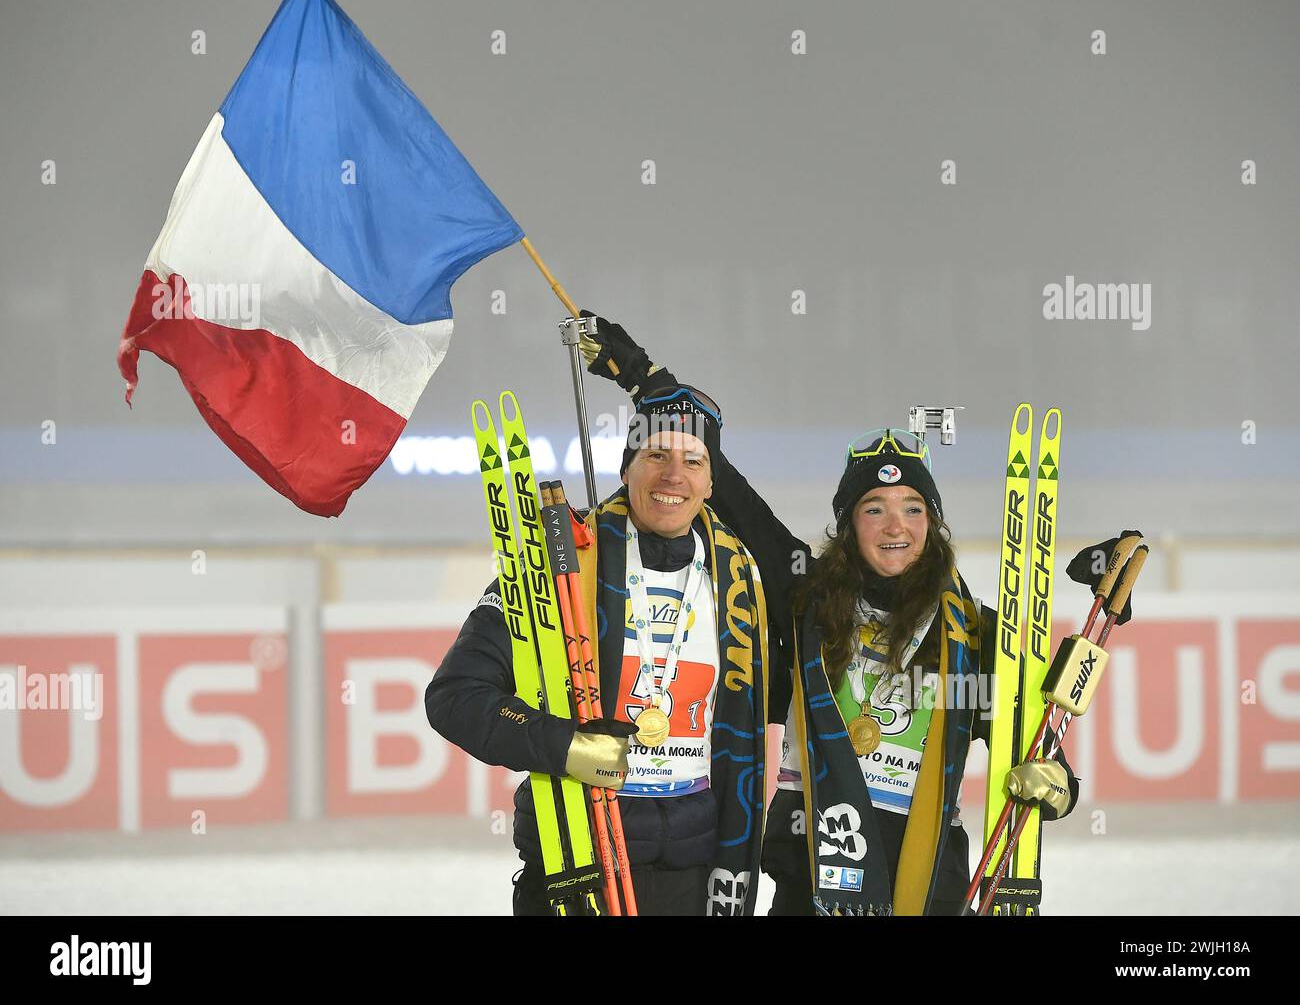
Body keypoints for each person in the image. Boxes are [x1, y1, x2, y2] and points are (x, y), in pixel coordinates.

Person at [581, 314, 1101, 916]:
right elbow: (717, 482)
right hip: (809, 878)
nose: (895, 525)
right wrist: (646, 380)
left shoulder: (968, 634)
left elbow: (1027, 736)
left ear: (931, 524)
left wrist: (1057, 784)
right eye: (873, 508)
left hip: (923, 881)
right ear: (850, 525)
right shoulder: (804, 594)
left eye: (911, 507)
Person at [425, 382, 771, 915]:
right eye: (655, 454)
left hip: (693, 880)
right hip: (576, 870)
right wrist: (568, 747)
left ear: (711, 480)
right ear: (626, 468)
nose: (673, 475)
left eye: (693, 459)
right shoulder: (558, 563)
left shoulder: (739, 581)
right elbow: (457, 697)